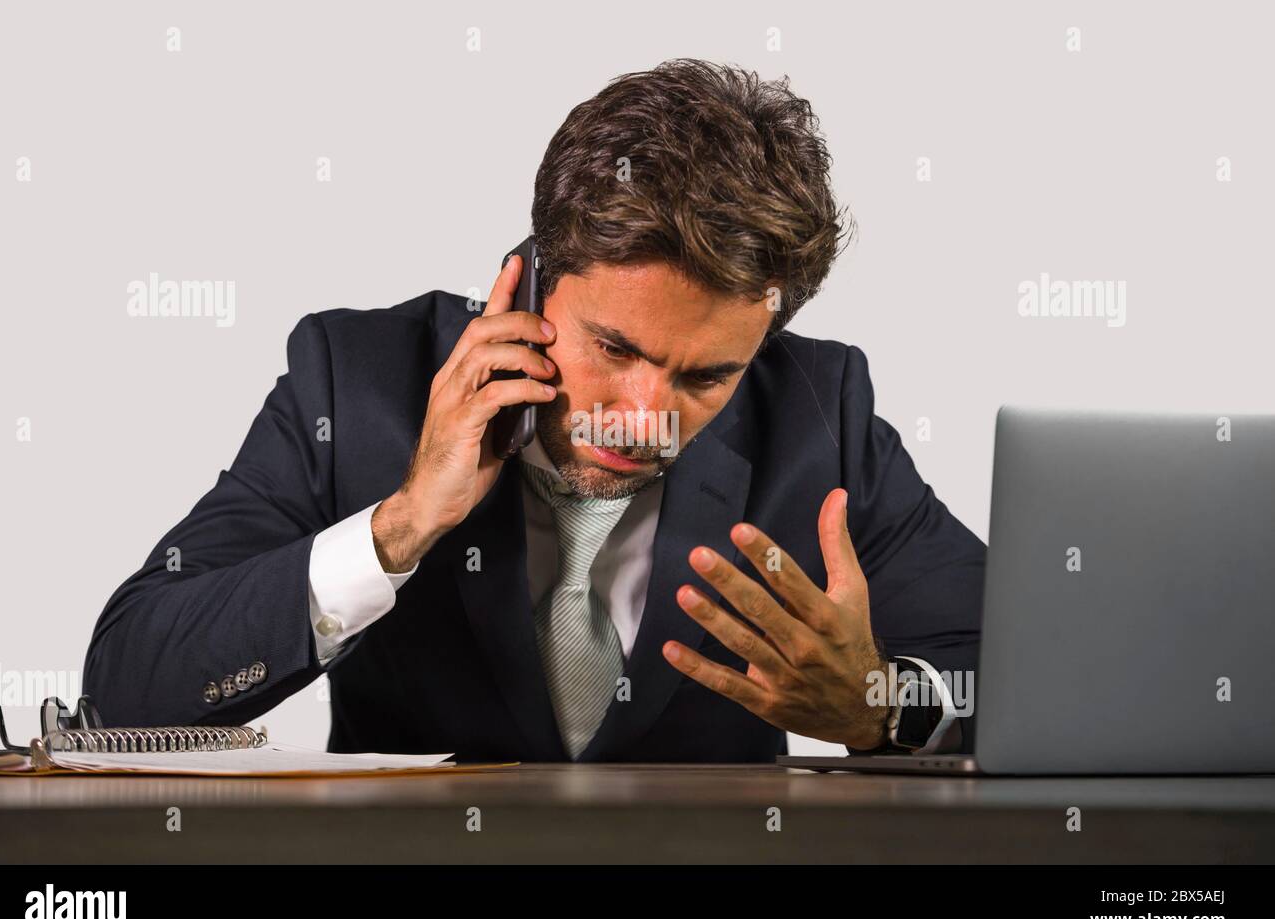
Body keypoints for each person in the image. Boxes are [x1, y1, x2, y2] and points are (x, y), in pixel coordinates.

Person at [83, 59, 985, 762]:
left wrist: (882, 704)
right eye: (616, 349)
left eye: (705, 377)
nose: (645, 417)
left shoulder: (818, 417)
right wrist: (396, 529)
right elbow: (126, 689)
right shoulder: (353, 386)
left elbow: (1058, 677)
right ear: (530, 282)